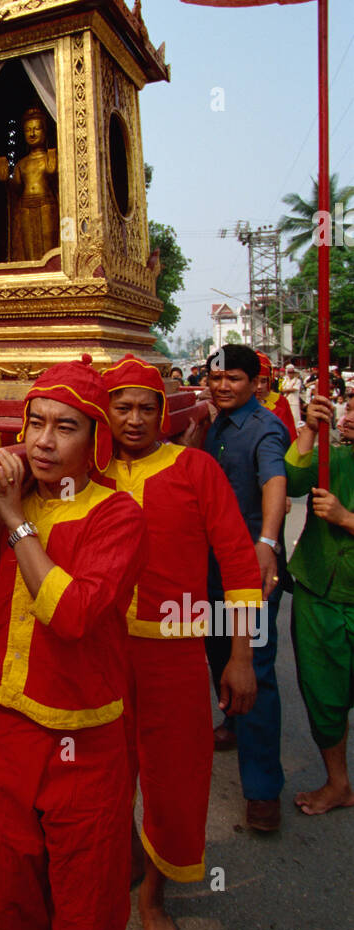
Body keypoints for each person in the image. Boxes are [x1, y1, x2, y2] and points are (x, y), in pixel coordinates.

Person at [0, 358, 146, 930]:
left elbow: (72, 615)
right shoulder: (13, 500)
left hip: (84, 738)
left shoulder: (117, 514)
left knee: (84, 887)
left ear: (95, 441)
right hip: (11, 727)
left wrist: (19, 526)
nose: (42, 440)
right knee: (11, 870)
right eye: (34, 422)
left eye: (65, 427)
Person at [101, 355, 260, 930]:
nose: (135, 419)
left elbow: (240, 566)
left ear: (163, 411)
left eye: (147, 407)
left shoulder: (195, 469)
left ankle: (154, 900)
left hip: (174, 655)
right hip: (103, 653)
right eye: (123, 407)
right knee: (107, 778)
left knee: (173, 781)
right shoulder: (87, 474)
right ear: (106, 414)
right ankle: (117, 870)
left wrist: (239, 656)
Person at [201, 345, 290, 832]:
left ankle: (262, 791)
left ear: (256, 383)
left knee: (254, 665)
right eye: (216, 378)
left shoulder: (263, 427)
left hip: (252, 569)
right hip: (212, 567)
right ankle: (233, 721)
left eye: (233, 378)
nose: (222, 386)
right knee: (219, 651)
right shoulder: (216, 423)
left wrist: (268, 542)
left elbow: (274, 481)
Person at [284, 392, 354, 815]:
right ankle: (339, 782)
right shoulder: (338, 458)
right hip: (318, 589)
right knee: (324, 697)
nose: (348, 417)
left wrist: (346, 519)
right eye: (350, 407)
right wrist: (309, 428)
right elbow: (292, 482)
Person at [0, 107, 59, 262]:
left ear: (45, 132)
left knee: (48, 246)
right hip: (25, 205)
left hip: (46, 203)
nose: (32, 133)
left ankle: (51, 272)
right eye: (28, 130)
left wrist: (53, 168)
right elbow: (16, 188)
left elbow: (57, 181)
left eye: (37, 129)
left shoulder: (49, 158)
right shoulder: (22, 164)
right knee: (29, 246)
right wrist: (6, 178)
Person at [255, 353, 296, 443]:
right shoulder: (242, 401)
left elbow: (290, 433)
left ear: (269, 380)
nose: (259, 386)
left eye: (263, 381)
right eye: (255, 380)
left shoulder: (280, 401)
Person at [281, 363, 303, 428]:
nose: (290, 374)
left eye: (292, 372)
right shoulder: (285, 380)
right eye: (289, 372)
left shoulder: (297, 380)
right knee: (286, 418)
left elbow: (294, 389)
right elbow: (282, 389)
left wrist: (286, 390)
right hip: (286, 400)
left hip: (294, 402)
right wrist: (287, 390)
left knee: (295, 418)